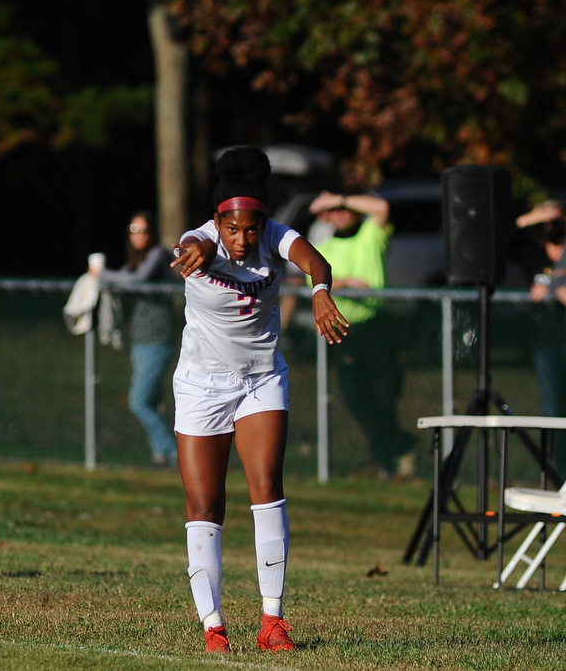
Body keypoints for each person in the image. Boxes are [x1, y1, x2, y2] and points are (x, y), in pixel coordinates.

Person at [170, 146, 348, 655]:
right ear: (217, 222)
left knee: (266, 487)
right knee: (206, 504)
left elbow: (316, 259)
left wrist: (319, 290)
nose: (243, 239)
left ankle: (273, 621)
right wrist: (198, 247)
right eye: (232, 229)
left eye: (251, 228)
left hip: (260, 380)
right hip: (201, 385)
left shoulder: (273, 235)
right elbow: (188, 244)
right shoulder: (201, 240)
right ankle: (213, 626)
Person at [306, 188, 416, 478]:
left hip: (376, 326)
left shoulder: (369, 234)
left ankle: (385, 459)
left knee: (384, 393)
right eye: (335, 211)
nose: (341, 214)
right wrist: (345, 283)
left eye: (345, 208)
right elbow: (314, 280)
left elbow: (381, 207)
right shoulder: (324, 248)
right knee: (355, 396)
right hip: (344, 331)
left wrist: (338, 199)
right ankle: (397, 446)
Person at [91, 211, 178, 467]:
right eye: (134, 229)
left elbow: (136, 281)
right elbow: (125, 277)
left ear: (154, 233)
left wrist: (101, 274)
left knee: (138, 402)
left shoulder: (158, 255)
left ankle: (173, 451)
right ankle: (160, 455)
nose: (139, 235)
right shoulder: (137, 260)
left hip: (158, 339)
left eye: (145, 230)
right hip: (140, 339)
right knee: (152, 401)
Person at [516, 199, 566, 478]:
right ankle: (561, 474)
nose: (549, 225)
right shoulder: (533, 254)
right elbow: (500, 240)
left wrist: (552, 291)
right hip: (547, 343)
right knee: (554, 410)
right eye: (544, 222)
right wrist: (531, 216)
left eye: (555, 219)